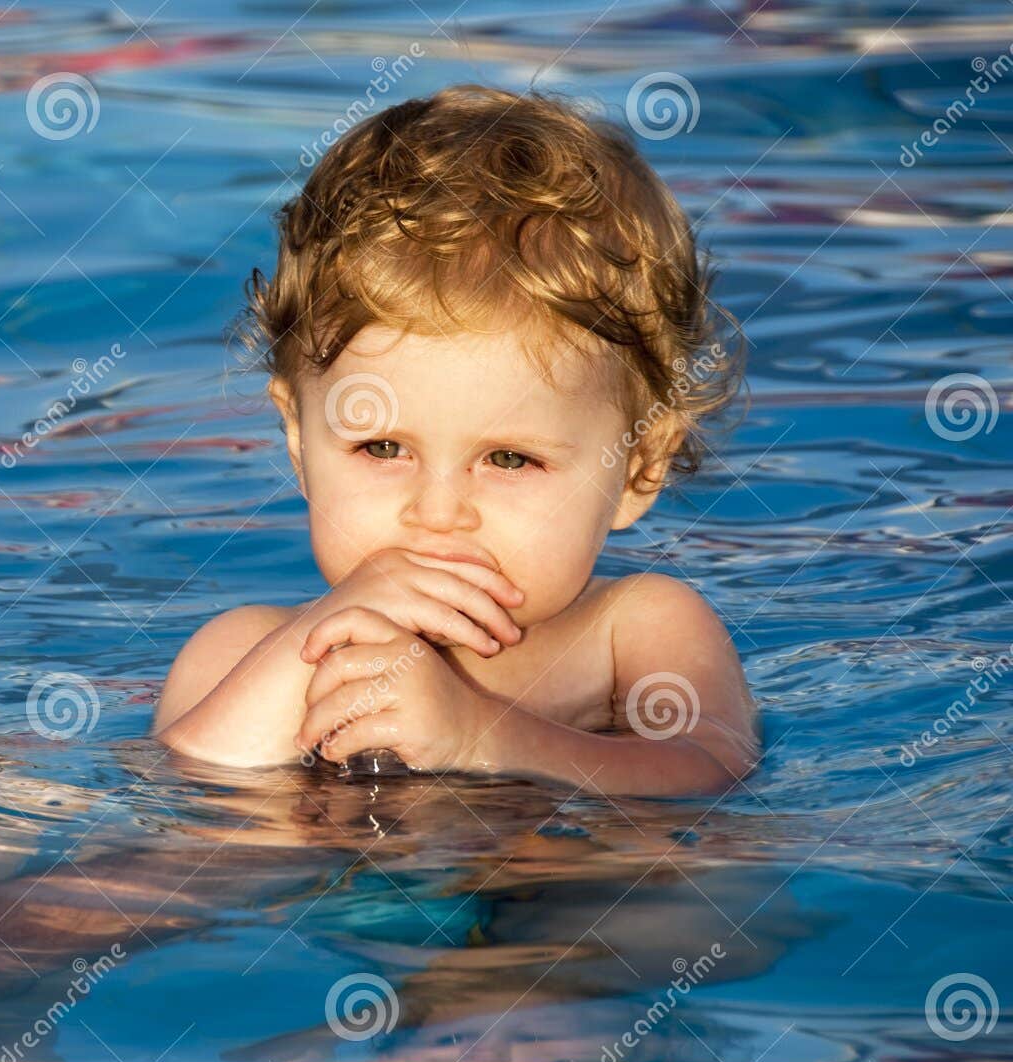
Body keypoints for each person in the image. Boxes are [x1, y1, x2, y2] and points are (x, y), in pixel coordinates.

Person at [154, 85, 759, 795]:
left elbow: (709, 773)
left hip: (575, 884)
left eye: (509, 458)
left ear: (637, 467)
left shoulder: (635, 629)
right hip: (338, 895)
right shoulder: (244, 649)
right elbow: (176, 809)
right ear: (298, 441)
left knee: (663, 903)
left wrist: (482, 735)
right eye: (382, 448)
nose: (437, 514)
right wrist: (290, 664)